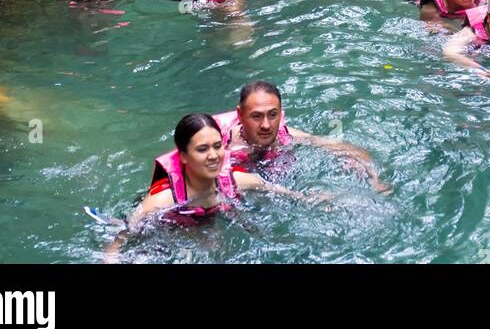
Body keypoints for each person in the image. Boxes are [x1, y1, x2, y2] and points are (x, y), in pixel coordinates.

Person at [120, 114, 318, 235]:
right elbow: (124, 235)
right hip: (174, 229)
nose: (213, 156)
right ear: (184, 157)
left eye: (217, 146)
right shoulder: (161, 200)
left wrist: (310, 199)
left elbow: (277, 191)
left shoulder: (235, 180)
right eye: (202, 149)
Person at [212, 81, 389, 191]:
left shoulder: (285, 135)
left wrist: (373, 177)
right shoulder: (221, 143)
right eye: (256, 116)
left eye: (272, 115)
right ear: (240, 114)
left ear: (280, 113)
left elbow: (341, 146)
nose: (266, 125)